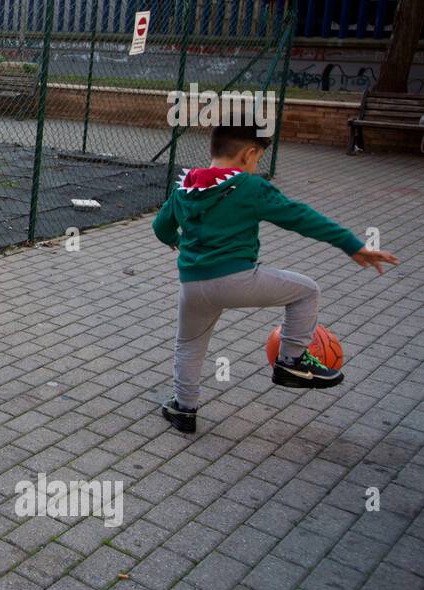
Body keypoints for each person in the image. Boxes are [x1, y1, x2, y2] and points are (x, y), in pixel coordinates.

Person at [152, 122, 399, 433]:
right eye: (257, 159)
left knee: (189, 344)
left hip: (192, 285)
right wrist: (351, 244)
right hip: (237, 280)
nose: (256, 166)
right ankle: (291, 362)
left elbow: (161, 227)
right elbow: (300, 216)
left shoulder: (185, 185)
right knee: (307, 291)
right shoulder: (250, 187)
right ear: (249, 154)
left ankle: (184, 410)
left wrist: (176, 239)